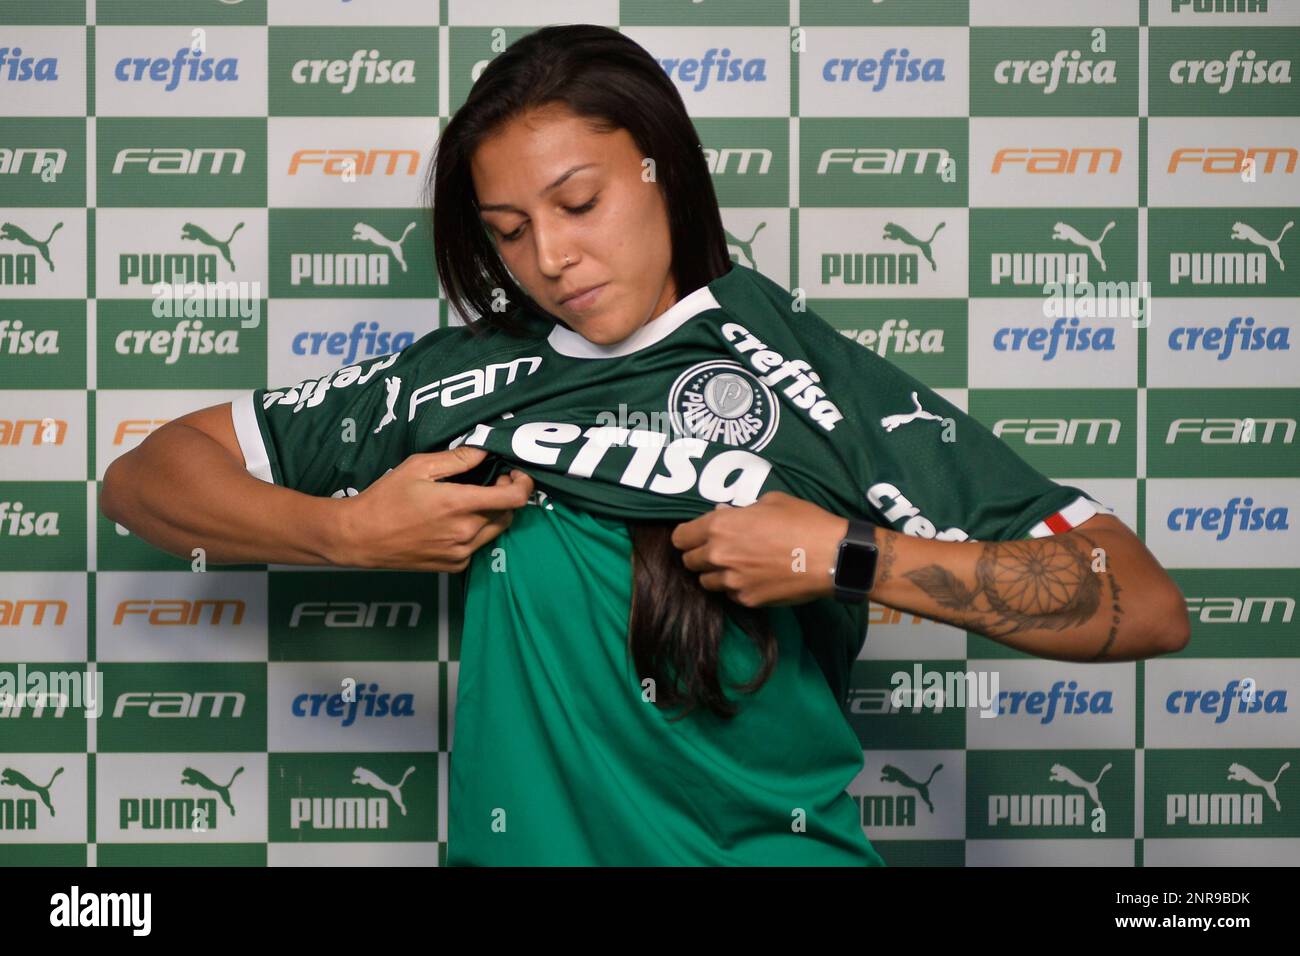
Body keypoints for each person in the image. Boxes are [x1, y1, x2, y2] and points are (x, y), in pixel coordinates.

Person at [101, 24, 1190, 867]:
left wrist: (842, 554)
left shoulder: (807, 372)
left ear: (662, 167)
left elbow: (1137, 599)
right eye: (510, 230)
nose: (553, 257)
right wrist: (343, 531)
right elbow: (146, 476)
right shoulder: (455, 377)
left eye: (579, 201)